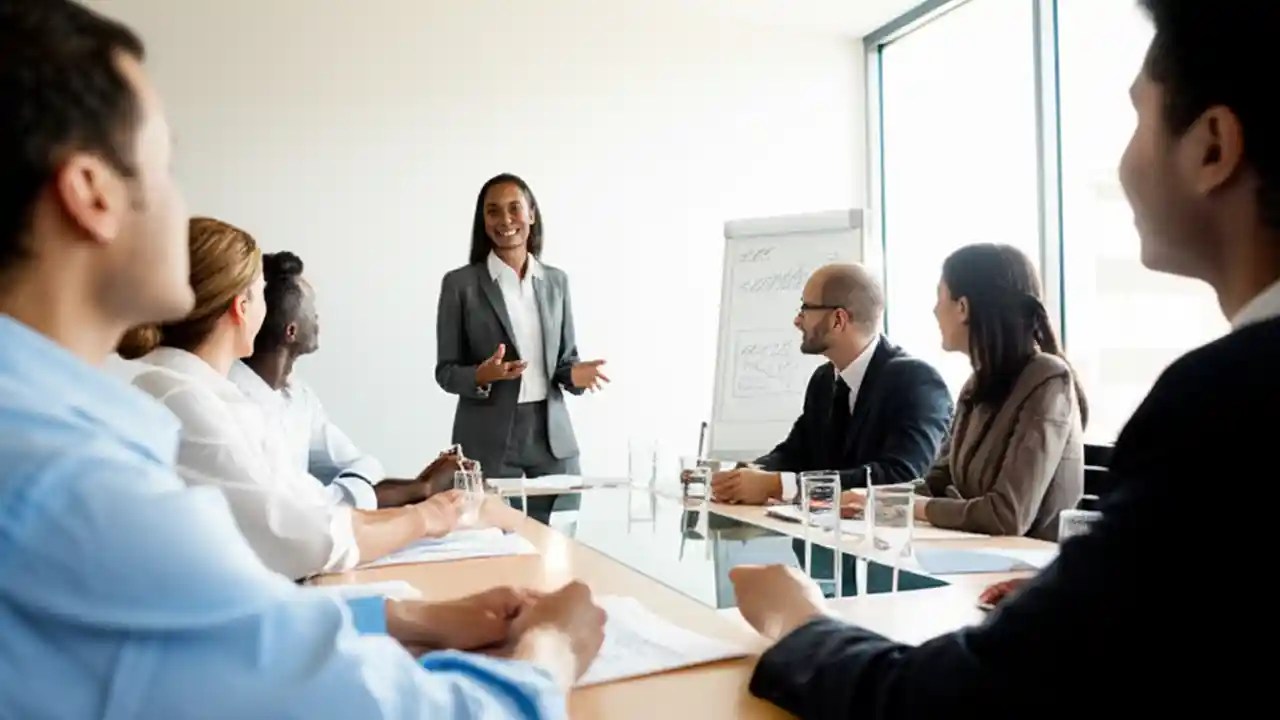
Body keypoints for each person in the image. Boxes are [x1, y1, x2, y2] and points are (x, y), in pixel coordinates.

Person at [0, 1, 605, 717]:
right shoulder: (74, 489)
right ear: (91, 194)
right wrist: (554, 648)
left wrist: (409, 617)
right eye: (166, 163)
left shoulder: (60, 438)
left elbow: (214, 624)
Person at [730, 0, 1273, 716]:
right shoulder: (986, 386)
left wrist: (797, 624)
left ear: (1212, 145)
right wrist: (1083, 593)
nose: (1123, 157)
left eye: (1137, 119)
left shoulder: (1223, 404)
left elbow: (959, 698)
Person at [120, 216, 472, 580]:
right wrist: (424, 517)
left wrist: (422, 507)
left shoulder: (205, 395)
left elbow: (316, 510)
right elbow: (308, 540)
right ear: (242, 307)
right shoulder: (185, 403)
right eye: (260, 293)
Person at [841, 244, 1087, 540]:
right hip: (978, 556)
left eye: (940, 296)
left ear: (963, 308)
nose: (934, 309)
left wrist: (906, 506)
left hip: (1025, 568)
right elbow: (940, 479)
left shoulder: (1048, 379)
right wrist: (870, 499)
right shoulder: (978, 383)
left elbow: (1006, 516)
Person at [436, 173, 608, 524]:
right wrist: (483, 374)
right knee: (497, 547)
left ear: (531, 214)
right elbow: (446, 372)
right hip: (489, 439)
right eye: (493, 212)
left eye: (515, 208)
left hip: (551, 439)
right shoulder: (460, 285)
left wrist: (576, 374)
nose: (505, 220)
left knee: (559, 550)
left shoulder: (556, 282)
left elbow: (563, 362)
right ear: (483, 221)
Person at [710, 263, 952, 504]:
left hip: (884, 539)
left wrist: (778, 486)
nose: (797, 320)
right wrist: (748, 473)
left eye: (806, 309)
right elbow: (796, 452)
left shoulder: (916, 382)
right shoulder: (823, 380)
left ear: (838, 319)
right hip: (821, 535)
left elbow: (902, 478)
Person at [231, 250, 454, 510]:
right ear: (290, 331)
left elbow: (363, 466)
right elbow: (310, 506)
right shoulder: (233, 401)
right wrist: (421, 488)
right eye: (312, 309)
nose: (317, 318)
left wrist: (421, 486)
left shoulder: (298, 397)